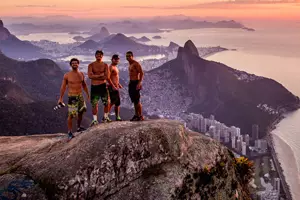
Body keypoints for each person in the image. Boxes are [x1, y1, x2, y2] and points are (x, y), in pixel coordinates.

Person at [58, 58, 90, 139]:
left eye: (76, 63)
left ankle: (79, 127)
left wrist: (88, 94)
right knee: (71, 115)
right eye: (73, 63)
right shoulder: (67, 75)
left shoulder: (81, 74)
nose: (75, 64)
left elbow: (84, 85)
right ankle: (69, 132)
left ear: (78, 64)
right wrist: (60, 98)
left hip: (80, 96)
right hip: (72, 97)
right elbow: (63, 87)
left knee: (81, 112)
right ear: (71, 65)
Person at [88, 50, 117, 126]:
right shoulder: (91, 65)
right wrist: (100, 75)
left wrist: (95, 76)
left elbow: (107, 76)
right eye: (97, 55)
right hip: (94, 87)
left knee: (107, 102)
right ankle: (94, 120)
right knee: (94, 104)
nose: (99, 56)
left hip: (103, 86)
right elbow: (90, 76)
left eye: (100, 55)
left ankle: (105, 117)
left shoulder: (105, 65)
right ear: (95, 56)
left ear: (102, 56)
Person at [126, 51, 144, 121]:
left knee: (137, 100)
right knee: (134, 100)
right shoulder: (130, 64)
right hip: (131, 83)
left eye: (129, 56)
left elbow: (141, 73)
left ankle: (140, 115)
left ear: (132, 56)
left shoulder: (136, 64)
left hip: (136, 82)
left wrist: (139, 83)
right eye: (127, 56)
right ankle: (136, 115)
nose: (128, 57)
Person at [108, 54, 123, 121]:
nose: (116, 60)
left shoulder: (115, 67)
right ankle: (105, 116)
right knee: (112, 102)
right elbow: (108, 78)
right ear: (112, 59)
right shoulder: (111, 67)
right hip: (112, 87)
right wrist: (113, 86)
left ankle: (117, 117)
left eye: (117, 59)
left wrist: (118, 84)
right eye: (115, 59)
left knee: (117, 103)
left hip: (116, 87)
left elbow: (114, 77)